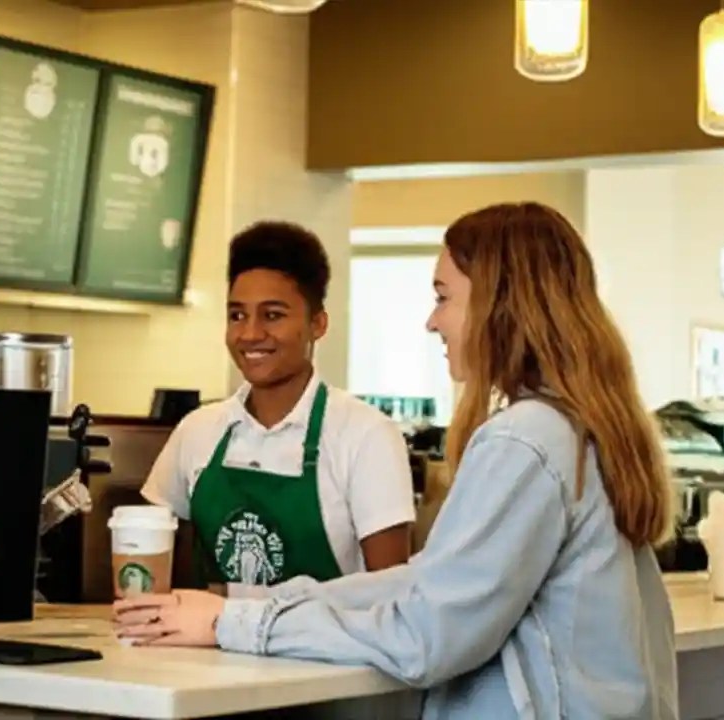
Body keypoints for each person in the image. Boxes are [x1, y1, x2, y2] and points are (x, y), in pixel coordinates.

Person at [117, 204, 679, 719]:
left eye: (443, 297)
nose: (432, 322)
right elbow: (425, 585)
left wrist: (232, 622)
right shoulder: (580, 429)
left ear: (497, 303)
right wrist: (242, 607)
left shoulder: (522, 442)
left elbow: (426, 634)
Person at [140, 220, 416, 596]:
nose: (250, 334)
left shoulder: (366, 436)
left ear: (317, 324)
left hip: (326, 653)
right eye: (237, 315)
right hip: (207, 652)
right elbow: (148, 558)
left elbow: (392, 596)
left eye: (272, 315)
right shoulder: (197, 430)